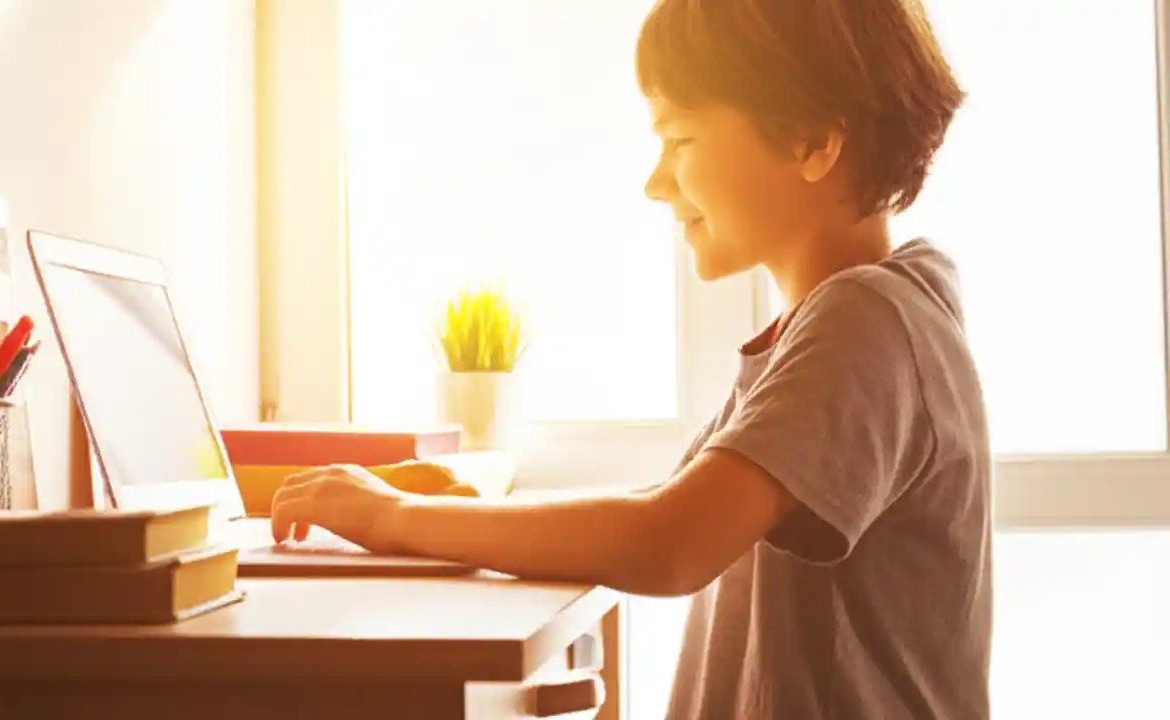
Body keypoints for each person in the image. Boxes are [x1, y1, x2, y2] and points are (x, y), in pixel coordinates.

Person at [270, 0, 990, 717]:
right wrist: (447, 508)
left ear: (811, 141)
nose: (656, 182)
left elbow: (671, 540)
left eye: (680, 140)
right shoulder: (845, 322)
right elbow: (662, 508)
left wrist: (395, 517)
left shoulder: (867, 320)